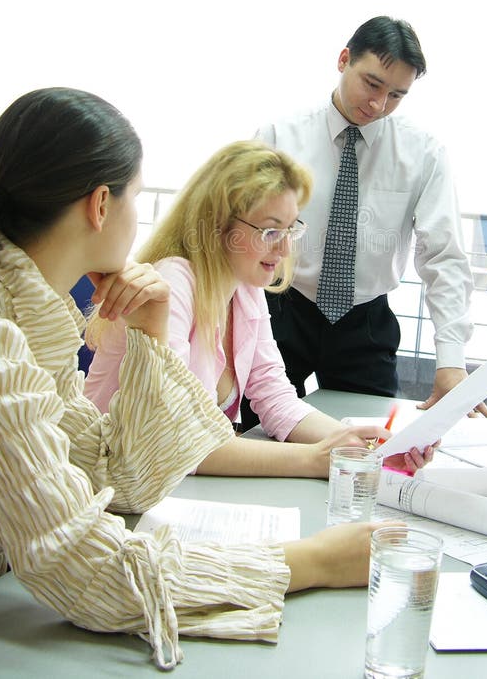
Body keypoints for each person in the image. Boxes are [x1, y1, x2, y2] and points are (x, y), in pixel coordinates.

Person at [0, 88, 398, 670]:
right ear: (102, 205)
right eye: (136, 195)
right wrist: (316, 560)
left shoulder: (32, 321)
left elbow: (120, 479)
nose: (283, 248)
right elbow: (86, 572)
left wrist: (150, 334)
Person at [85, 140, 431, 477]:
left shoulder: (244, 286)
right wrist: (313, 459)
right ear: (217, 225)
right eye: (270, 231)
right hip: (106, 482)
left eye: (291, 229)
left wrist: (365, 445)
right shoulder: (173, 282)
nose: (284, 250)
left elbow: (274, 396)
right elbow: (178, 442)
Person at [250, 15, 487, 427]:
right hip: (280, 308)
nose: (378, 105)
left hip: (364, 323)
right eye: (372, 84)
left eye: (396, 95)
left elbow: (444, 257)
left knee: (372, 444)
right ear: (344, 59)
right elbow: (238, 234)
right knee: (257, 435)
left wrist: (451, 360)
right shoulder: (278, 137)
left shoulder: (423, 154)